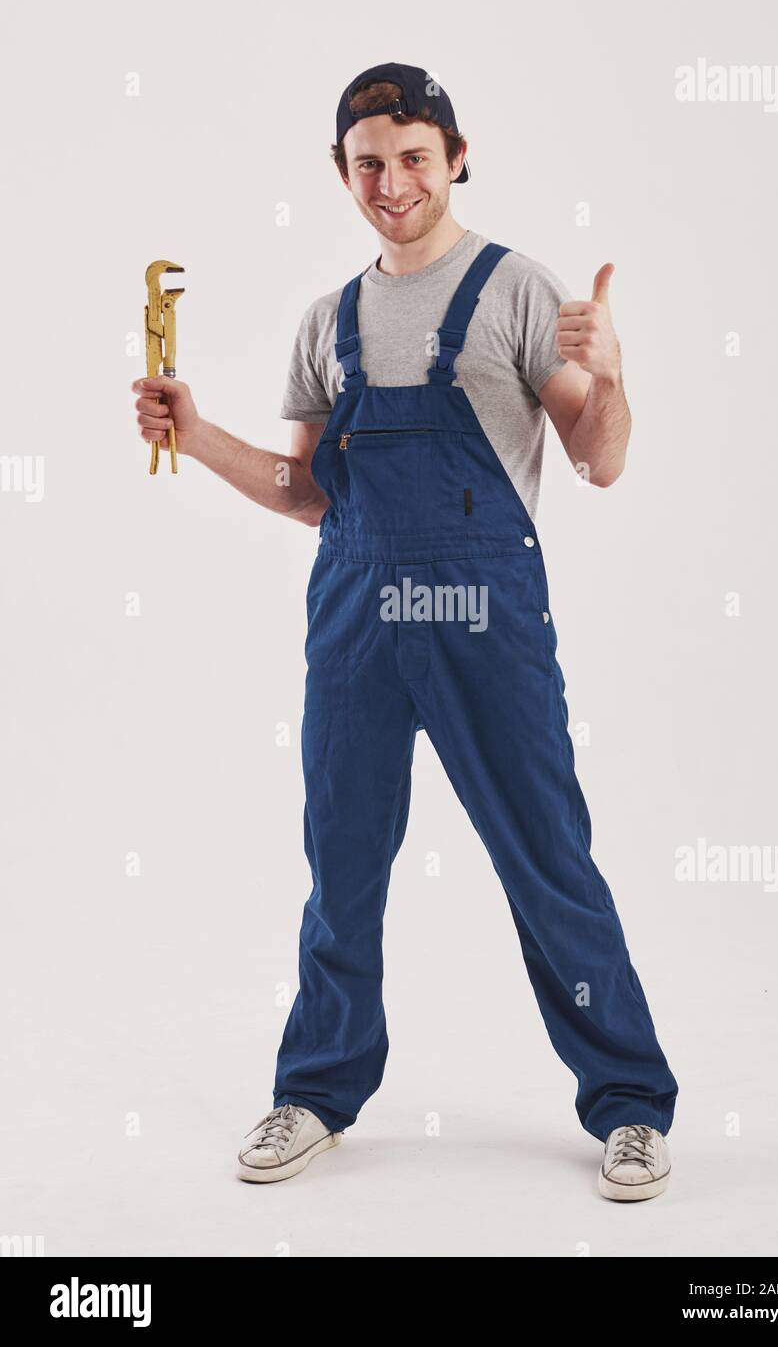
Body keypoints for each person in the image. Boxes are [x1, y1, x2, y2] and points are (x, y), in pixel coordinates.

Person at [132, 61, 678, 1202]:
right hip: (358, 615)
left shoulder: (520, 290)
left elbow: (600, 458)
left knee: (547, 861)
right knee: (342, 865)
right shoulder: (326, 321)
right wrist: (199, 431)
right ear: (343, 171)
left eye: (414, 157)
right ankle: (318, 1090)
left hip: (487, 615)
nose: (393, 181)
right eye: (369, 162)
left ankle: (629, 1103)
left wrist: (611, 375)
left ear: (457, 156)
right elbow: (305, 490)